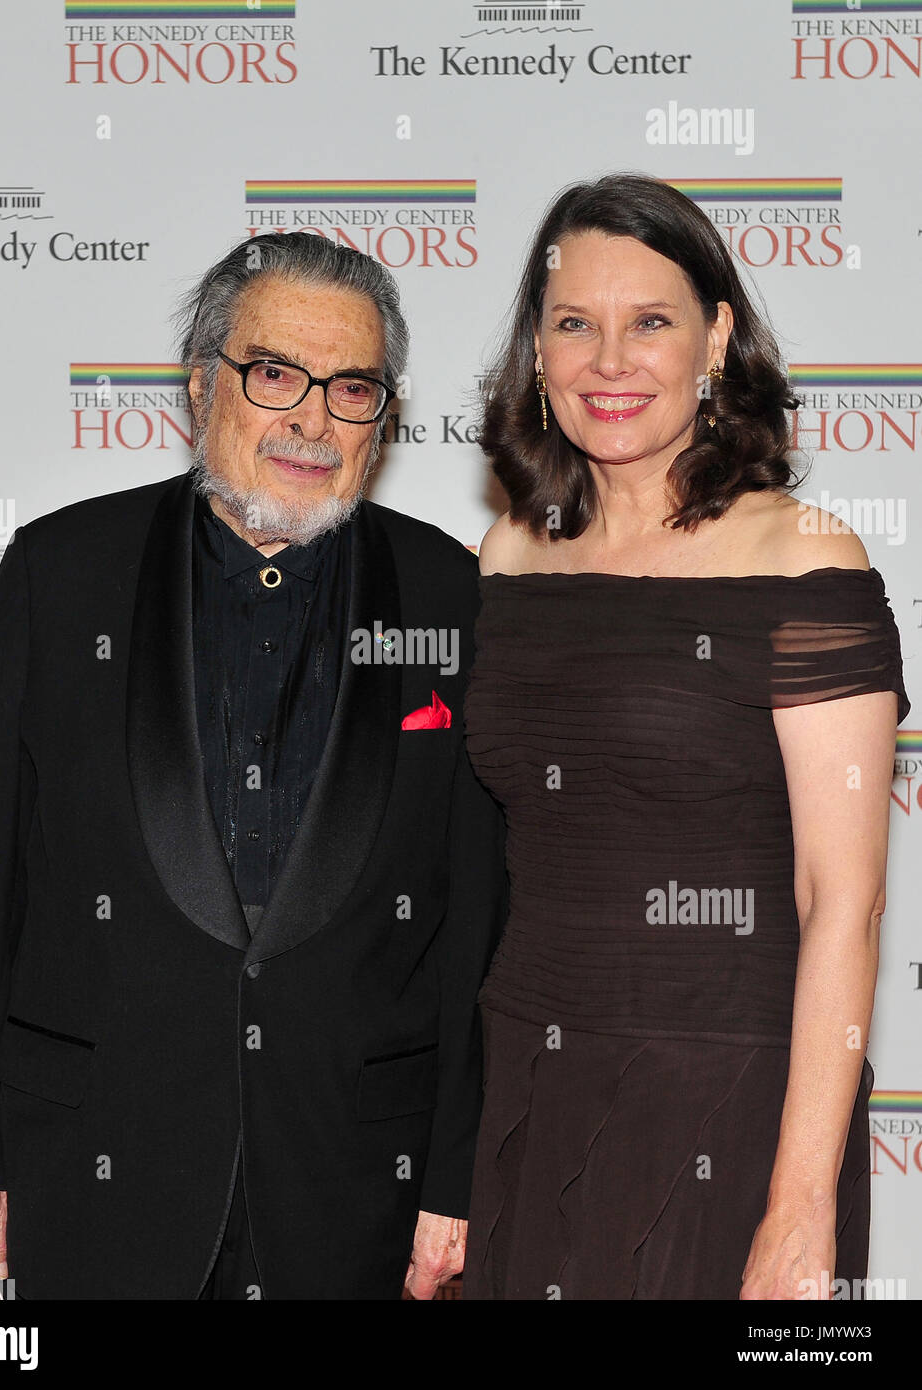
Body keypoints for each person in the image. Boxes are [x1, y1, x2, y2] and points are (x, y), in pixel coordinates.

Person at [0, 232, 507, 1300]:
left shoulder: (449, 596)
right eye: (275, 374)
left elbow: (474, 933)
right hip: (85, 1184)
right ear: (199, 384)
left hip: (352, 1198)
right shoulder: (64, 573)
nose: (314, 420)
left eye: (352, 388)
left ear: (384, 417)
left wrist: (454, 1178)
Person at [461, 174, 909, 1300]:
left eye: (650, 321)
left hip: (728, 1096)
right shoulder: (509, 555)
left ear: (714, 336)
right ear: (538, 347)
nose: (610, 361)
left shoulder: (807, 560)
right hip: (528, 1078)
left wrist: (801, 1205)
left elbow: (840, 899)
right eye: (575, 324)